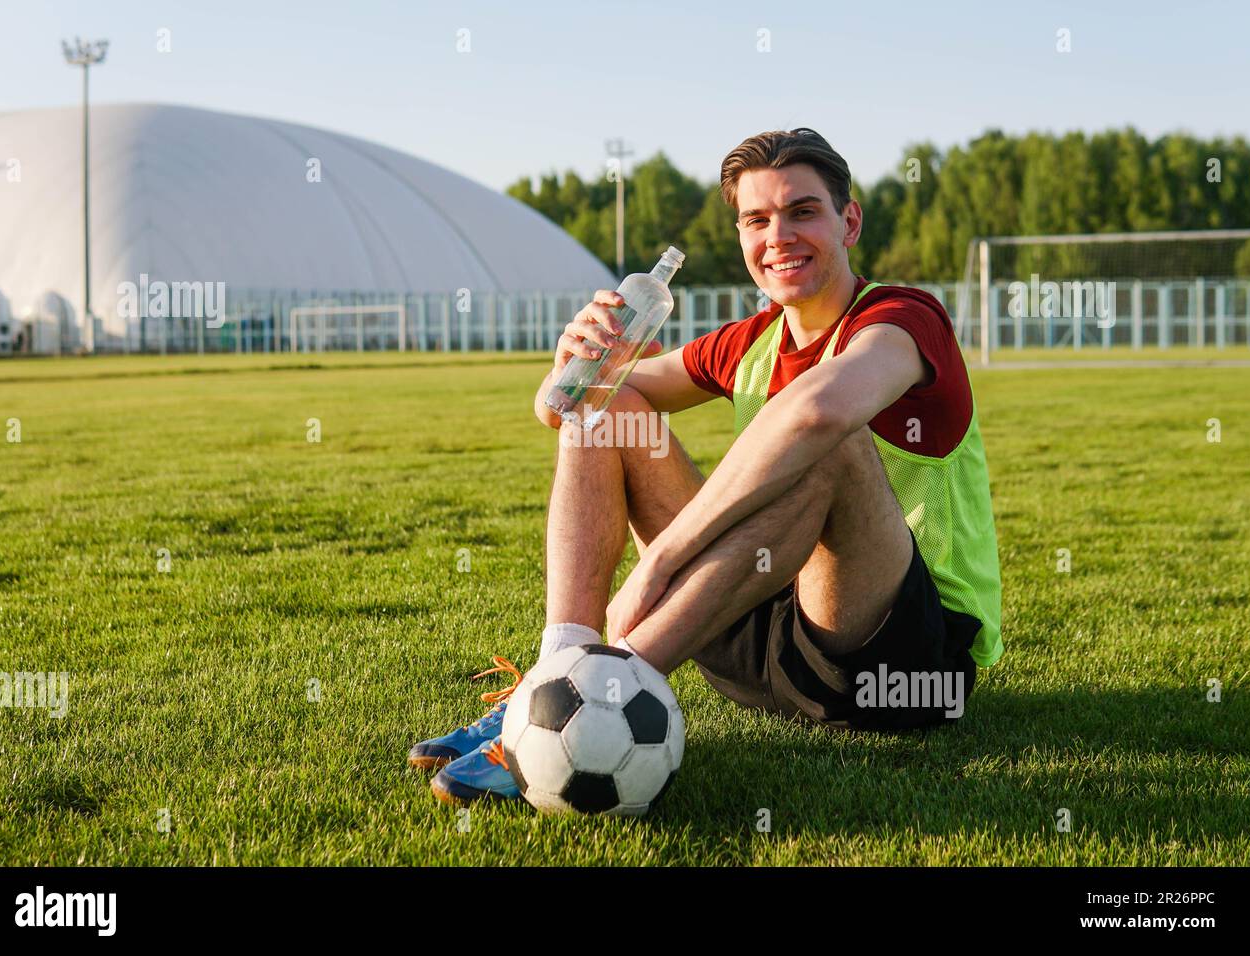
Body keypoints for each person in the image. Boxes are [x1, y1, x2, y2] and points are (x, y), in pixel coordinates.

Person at [410, 128, 1002, 805]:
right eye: (757, 219)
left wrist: (660, 563)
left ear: (850, 222)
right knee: (610, 405)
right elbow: (571, 410)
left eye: (802, 211)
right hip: (763, 638)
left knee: (831, 440)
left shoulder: (904, 318)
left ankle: (601, 689)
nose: (778, 236)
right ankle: (554, 680)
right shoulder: (751, 341)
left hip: (895, 665)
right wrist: (569, 366)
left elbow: (818, 412)